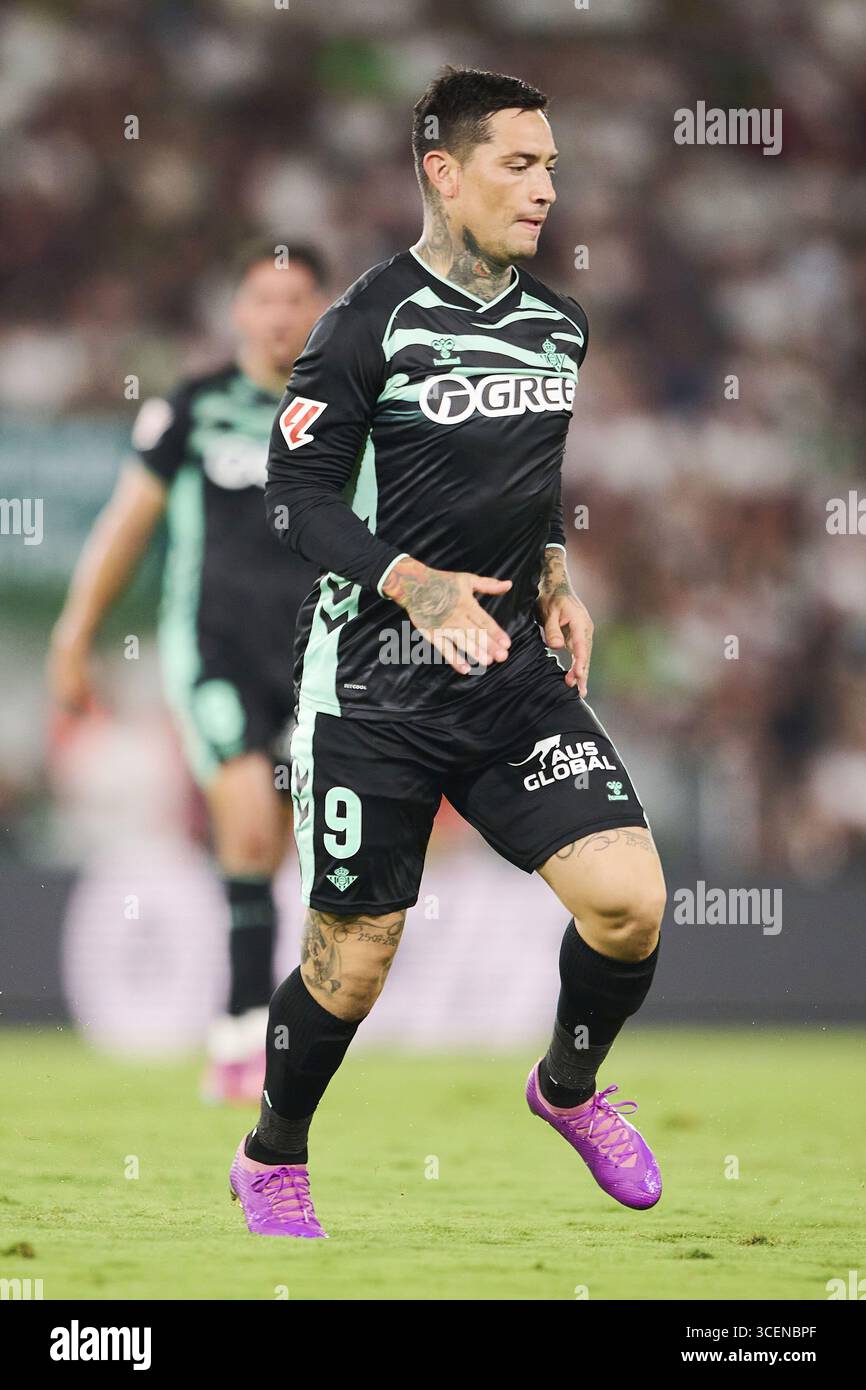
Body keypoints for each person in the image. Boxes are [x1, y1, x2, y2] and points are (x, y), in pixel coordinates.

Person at [229, 69, 667, 1238]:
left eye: (552, 167)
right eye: (519, 165)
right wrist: (409, 582)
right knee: (350, 966)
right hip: (374, 684)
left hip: (510, 672)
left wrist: (556, 570)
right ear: (442, 170)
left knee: (629, 904)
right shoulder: (364, 324)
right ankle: (271, 1153)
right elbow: (294, 496)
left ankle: (565, 1089)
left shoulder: (558, 324)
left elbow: (524, 486)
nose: (545, 189)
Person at [49, 241, 328, 1102]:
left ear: (322, 308)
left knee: (275, 847)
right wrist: (74, 632)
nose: (279, 315)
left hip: (314, 661)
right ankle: (243, 1040)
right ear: (238, 311)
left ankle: (248, 1022)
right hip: (212, 653)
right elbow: (126, 525)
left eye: (296, 299)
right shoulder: (191, 410)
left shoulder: (347, 413)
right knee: (244, 823)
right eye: (263, 299)